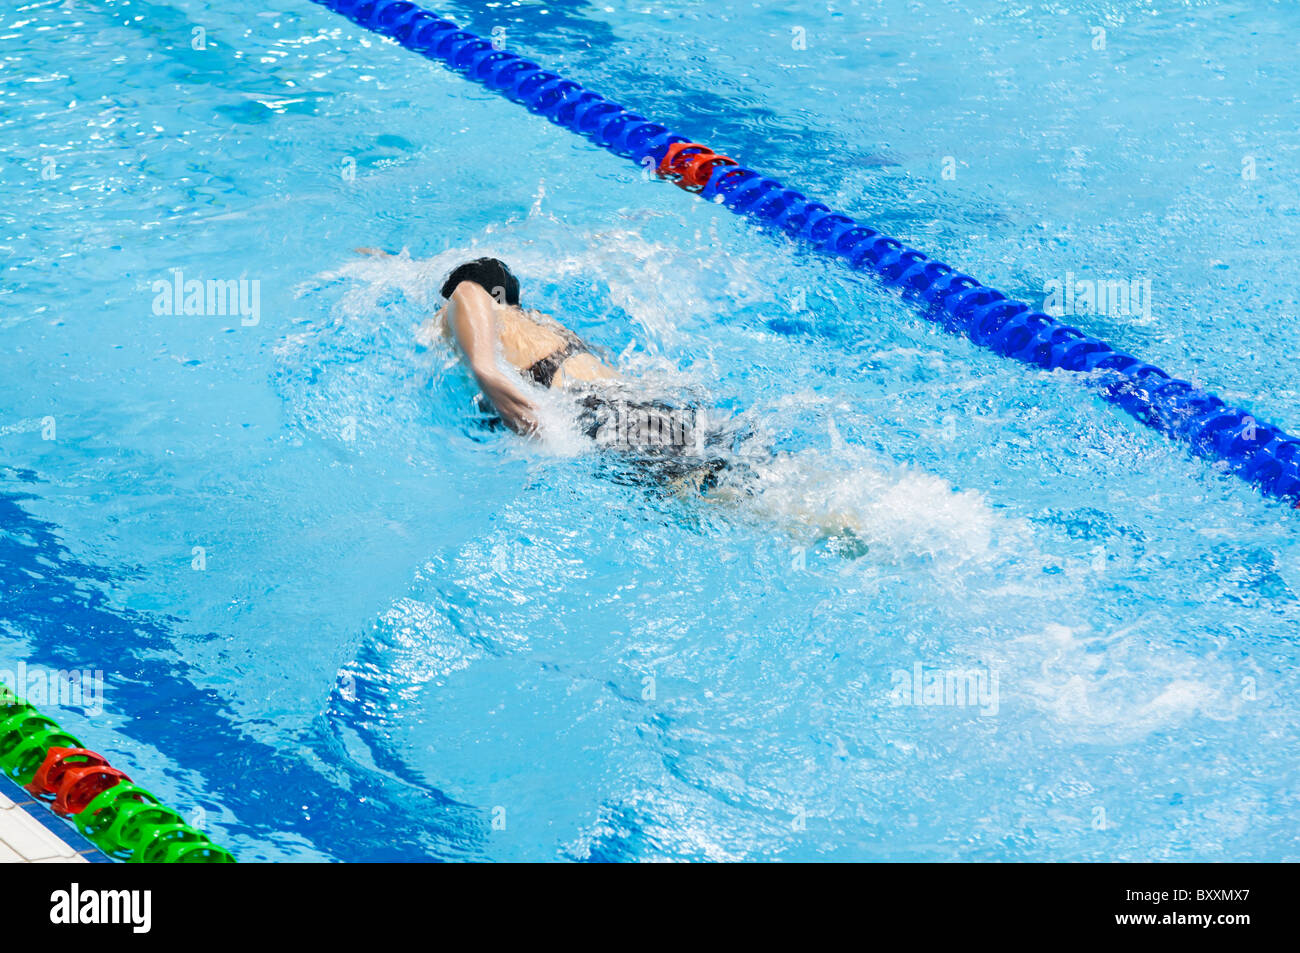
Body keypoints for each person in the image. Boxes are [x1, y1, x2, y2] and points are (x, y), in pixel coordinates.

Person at [425, 256, 748, 494]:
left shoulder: (473, 309)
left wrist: (485, 369)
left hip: (604, 413)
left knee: (716, 498)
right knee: (751, 485)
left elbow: (466, 292)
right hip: (649, 405)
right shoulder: (545, 325)